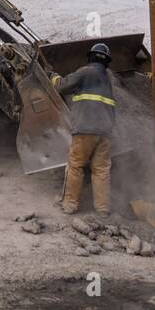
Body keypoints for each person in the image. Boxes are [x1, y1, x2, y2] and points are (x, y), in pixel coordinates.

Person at [55, 42, 116, 216]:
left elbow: (62, 86)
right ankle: (103, 208)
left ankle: (70, 205)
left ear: (91, 57)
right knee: (101, 170)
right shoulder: (107, 79)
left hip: (85, 130)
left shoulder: (85, 72)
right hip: (105, 133)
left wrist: (52, 77)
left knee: (75, 166)